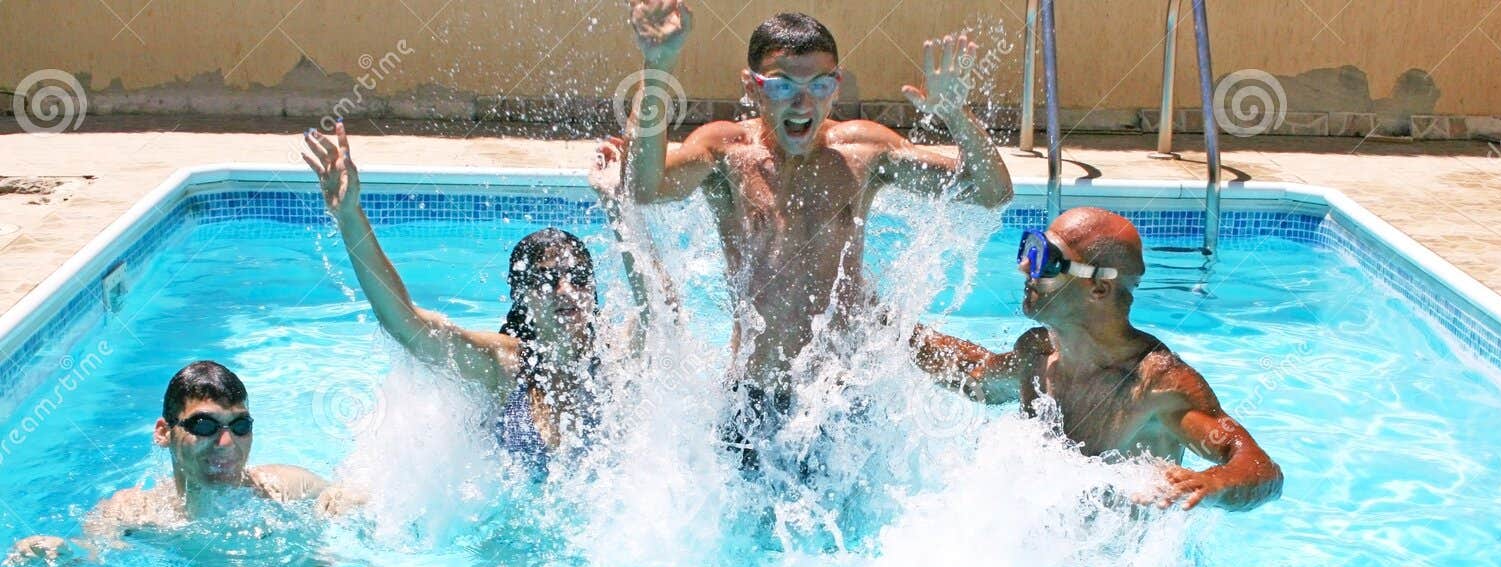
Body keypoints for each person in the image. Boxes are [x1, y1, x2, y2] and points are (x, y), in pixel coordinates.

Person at [620, 3, 1013, 458]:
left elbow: (989, 192)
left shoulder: (864, 150)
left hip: (842, 401)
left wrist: (956, 115)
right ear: (752, 86)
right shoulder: (727, 151)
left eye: (818, 84)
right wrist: (656, 68)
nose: (802, 102)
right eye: (783, 85)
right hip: (753, 400)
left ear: (836, 86)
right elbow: (642, 188)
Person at [302, 121, 665, 473]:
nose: (566, 290)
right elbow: (405, 325)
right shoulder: (502, 366)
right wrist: (350, 216)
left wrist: (618, 207)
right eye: (547, 280)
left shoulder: (616, 358)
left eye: (580, 278)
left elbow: (661, 308)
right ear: (520, 296)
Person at [5, 360, 366, 567]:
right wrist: (58, 552)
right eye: (204, 426)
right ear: (164, 432)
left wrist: (351, 500)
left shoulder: (289, 488)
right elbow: (93, 556)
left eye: (240, 426)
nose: (226, 444)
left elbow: (360, 506)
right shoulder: (135, 512)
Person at [913, 207, 1284, 511]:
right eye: (1031, 249)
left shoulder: (1155, 385)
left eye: (1048, 260)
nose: (1025, 266)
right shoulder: (1037, 354)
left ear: (1099, 287)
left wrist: (1214, 481)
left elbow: (1260, 468)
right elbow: (974, 375)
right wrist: (894, 330)